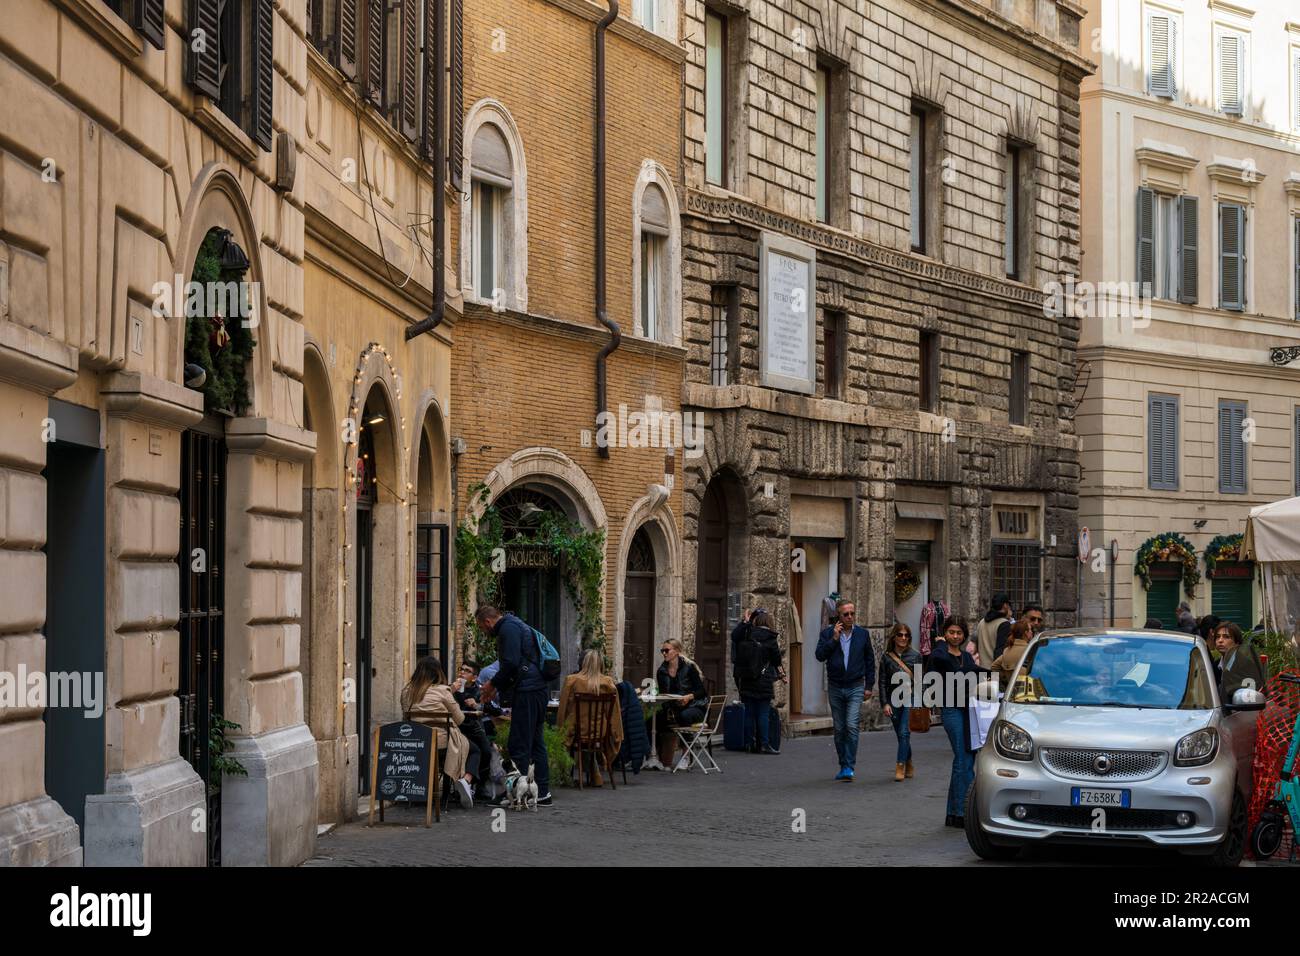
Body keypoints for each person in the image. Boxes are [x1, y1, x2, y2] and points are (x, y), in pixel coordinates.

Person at [474, 604, 552, 806]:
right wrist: (495, 689)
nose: (484, 632)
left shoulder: (508, 629)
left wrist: (491, 684)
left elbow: (509, 663)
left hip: (528, 691)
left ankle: (515, 793)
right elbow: (514, 665)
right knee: (535, 742)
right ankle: (542, 793)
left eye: (482, 628)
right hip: (537, 689)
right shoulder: (515, 625)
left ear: (488, 622)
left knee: (519, 744)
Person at [926, 617, 989, 828]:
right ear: (946, 633)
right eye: (951, 632)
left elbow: (977, 677)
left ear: (964, 635)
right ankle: (965, 811)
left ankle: (954, 813)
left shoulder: (967, 658)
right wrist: (941, 643)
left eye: (959, 633)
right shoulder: (940, 654)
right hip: (951, 710)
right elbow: (938, 662)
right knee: (963, 757)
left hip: (969, 710)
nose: (955, 636)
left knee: (965, 758)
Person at [401, 656, 480, 808]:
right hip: (441, 745)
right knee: (475, 749)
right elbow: (460, 719)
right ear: (437, 673)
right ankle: (465, 780)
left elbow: (405, 714)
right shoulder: (443, 691)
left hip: (416, 744)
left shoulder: (406, 692)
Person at [815, 599, 875, 782]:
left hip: (855, 685)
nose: (850, 617)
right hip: (835, 686)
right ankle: (843, 764)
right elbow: (819, 656)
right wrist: (833, 639)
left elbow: (870, 660)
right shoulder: (827, 633)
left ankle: (849, 765)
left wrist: (869, 686)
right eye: (845, 614)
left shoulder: (863, 634)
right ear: (838, 616)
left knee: (851, 725)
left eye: (852, 614)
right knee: (840, 728)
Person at [556, 648, 625, 786]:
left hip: (577, 731)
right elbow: (615, 715)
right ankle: (595, 773)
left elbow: (562, 710)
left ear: (582, 663)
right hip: (601, 733)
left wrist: (560, 730)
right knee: (592, 735)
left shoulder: (572, 681)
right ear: (600, 663)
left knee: (570, 730)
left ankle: (564, 775)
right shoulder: (608, 683)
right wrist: (617, 736)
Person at [731, 609, 786, 755]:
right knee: (762, 712)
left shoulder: (747, 633)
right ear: (769, 622)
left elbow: (734, 636)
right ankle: (764, 745)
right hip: (764, 679)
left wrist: (745, 622)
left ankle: (749, 743)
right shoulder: (770, 638)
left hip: (747, 678)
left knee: (749, 712)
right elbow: (776, 660)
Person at [654, 638, 709, 769]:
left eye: (667, 650)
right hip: (674, 707)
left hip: (695, 706)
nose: (664, 653)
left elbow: (702, 691)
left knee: (684, 716)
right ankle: (656, 758)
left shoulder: (689, 667)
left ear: (677, 651)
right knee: (654, 720)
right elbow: (663, 694)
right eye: (662, 651)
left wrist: (688, 697)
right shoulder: (661, 671)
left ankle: (686, 756)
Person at [879, 623, 923, 782]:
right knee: (900, 734)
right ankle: (909, 761)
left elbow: (919, 682)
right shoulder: (886, 657)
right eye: (900, 635)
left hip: (910, 697)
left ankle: (900, 765)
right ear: (894, 637)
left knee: (905, 732)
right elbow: (882, 681)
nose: (903, 638)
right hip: (893, 698)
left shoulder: (915, 655)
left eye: (906, 635)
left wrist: (920, 702)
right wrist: (884, 703)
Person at [452, 661, 495, 790]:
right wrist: (452, 690)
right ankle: (465, 783)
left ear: (474, 677)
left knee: (486, 752)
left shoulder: (480, 690)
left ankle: (478, 786)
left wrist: (477, 705)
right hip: (456, 729)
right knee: (473, 750)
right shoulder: (452, 688)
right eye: (461, 669)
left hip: (474, 729)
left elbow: (494, 709)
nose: (462, 672)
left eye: (467, 671)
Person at [1214, 622, 1267, 701]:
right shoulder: (1215, 665)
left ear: (1237, 643)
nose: (1220, 640)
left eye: (1226, 637)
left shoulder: (1246, 665)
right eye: (1218, 637)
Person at [990, 619, 1033, 689]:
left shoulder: (1007, 650)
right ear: (1026, 633)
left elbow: (994, 667)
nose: (1031, 632)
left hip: (1011, 691)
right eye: (1030, 630)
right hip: (1028, 691)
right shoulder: (1030, 650)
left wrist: (1005, 677)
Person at [976, 593, 1012, 665]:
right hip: (994, 670)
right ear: (1005, 605)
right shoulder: (1004, 624)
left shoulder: (981, 622)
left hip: (982, 669)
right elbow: (1000, 651)